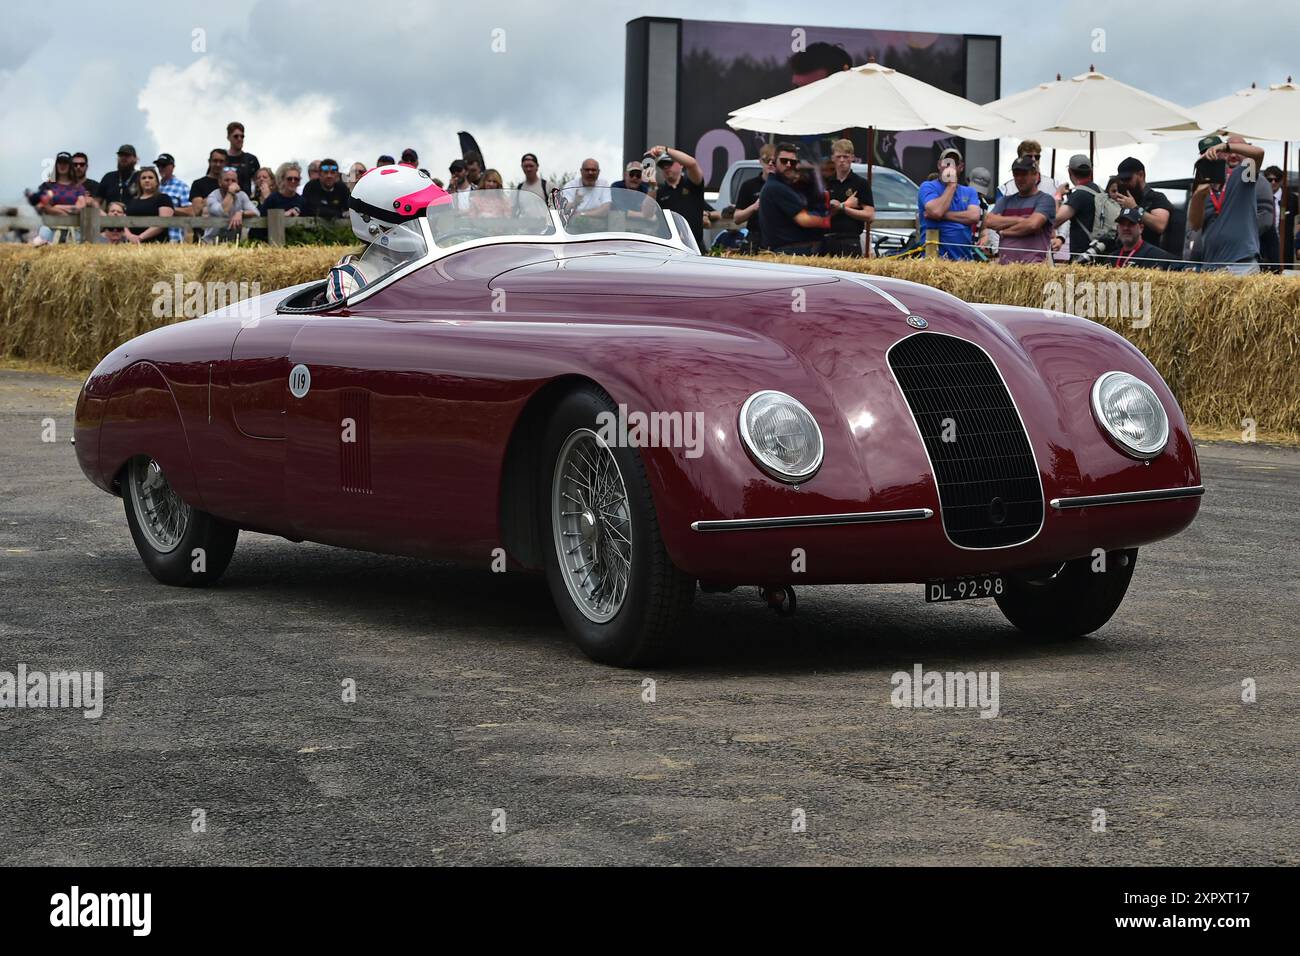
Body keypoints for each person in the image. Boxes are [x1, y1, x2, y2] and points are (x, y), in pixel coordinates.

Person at [323, 165, 449, 303]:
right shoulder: (351, 277)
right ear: (376, 226)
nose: (430, 224)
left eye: (431, 215)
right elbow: (351, 322)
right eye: (421, 215)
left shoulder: (434, 260)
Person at [1188, 135, 1266, 274]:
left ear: (1225, 154)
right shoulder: (1200, 186)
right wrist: (1197, 198)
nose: (1213, 157)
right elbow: (1195, 225)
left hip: (1242, 263)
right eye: (1206, 154)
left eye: (1215, 152)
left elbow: (1259, 153)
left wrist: (1225, 146)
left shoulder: (1241, 174)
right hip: (1212, 265)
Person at [759, 143, 832, 256]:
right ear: (774, 162)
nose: (788, 165)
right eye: (784, 161)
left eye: (792, 162)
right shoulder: (776, 187)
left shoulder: (783, 186)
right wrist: (831, 216)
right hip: (789, 253)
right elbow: (804, 220)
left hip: (791, 251)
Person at [985, 155, 1056, 264]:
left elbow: (1033, 224)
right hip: (1005, 268)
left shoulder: (1045, 199)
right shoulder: (1005, 200)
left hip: (1033, 268)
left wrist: (1004, 232)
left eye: (1024, 174)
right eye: (1016, 174)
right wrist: (1020, 220)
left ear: (1035, 174)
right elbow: (989, 221)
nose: (1019, 178)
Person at [917, 148, 981, 259]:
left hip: (963, 260)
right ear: (939, 165)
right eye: (946, 163)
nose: (949, 167)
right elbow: (936, 211)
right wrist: (951, 185)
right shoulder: (927, 186)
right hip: (934, 259)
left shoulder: (970, 191)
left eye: (953, 164)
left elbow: (974, 216)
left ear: (960, 167)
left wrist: (944, 215)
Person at [648, 145, 716, 248]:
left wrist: (666, 150)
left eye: (669, 164)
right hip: (669, 245)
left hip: (694, 244)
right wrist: (652, 186)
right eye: (663, 165)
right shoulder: (659, 191)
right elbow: (646, 213)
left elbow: (692, 164)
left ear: (681, 165)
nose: (666, 168)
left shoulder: (692, 184)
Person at [822, 138, 874, 257]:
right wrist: (846, 204)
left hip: (850, 239)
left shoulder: (860, 183)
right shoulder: (826, 182)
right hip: (827, 238)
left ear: (852, 158)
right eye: (838, 157)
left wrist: (843, 207)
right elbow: (818, 212)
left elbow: (870, 215)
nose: (842, 160)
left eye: (845, 157)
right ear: (832, 158)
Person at [1114, 157, 1173, 250]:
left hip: (1151, 255)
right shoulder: (1127, 199)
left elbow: (1160, 225)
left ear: (1141, 175)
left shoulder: (1156, 197)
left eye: (1128, 179)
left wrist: (1135, 208)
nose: (1124, 183)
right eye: (1121, 180)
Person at [1054, 154, 1104, 257]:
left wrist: (1058, 195)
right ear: (1090, 171)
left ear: (1070, 172)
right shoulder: (1100, 191)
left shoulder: (1078, 195)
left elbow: (1054, 220)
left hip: (1082, 257)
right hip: (1100, 252)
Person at [732, 145, 775, 251]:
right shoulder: (749, 185)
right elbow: (737, 218)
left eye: (773, 161)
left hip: (778, 238)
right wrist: (754, 207)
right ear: (760, 161)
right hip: (755, 237)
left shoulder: (785, 185)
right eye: (766, 160)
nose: (770, 164)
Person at [202, 166, 258, 243]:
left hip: (233, 244)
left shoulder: (242, 195)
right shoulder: (213, 196)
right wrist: (231, 192)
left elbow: (256, 213)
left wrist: (241, 213)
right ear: (220, 182)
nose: (230, 183)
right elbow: (222, 211)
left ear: (237, 182)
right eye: (227, 180)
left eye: (233, 180)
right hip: (211, 242)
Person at [1110, 207, 1175, 269]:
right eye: (1122, 224)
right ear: (1117, 228)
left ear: (1141, 228)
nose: (1126, 228)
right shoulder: (1112, 258)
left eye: (1131, 224)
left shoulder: (1157, 256)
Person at [123, 167, 175, 244]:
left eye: (150, 178)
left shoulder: (163, 198)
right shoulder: (132, 201)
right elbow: (123, 222)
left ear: (157, 182)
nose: (147, 180)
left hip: (156, 244)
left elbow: (163, 222)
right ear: (139, 182)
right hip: (132, 245)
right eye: (143, 178)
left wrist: (140, 237)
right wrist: (130, 236)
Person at [154, 154, 190, 241]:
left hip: (173, 236)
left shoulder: (182, 186)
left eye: (164, 165)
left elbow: (190, 211)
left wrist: (168, 209)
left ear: (172, 167)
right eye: (159, 165)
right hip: (153, 238)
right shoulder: (154, 187)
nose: (161, 168)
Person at [224, 122, 260, 195]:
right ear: (228, 137)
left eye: (242, 136)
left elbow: (259, 182)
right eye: (236, 136)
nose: (239, 139)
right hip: (224, 201)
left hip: (246, 201)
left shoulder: (251, 159)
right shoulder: (221, 159)